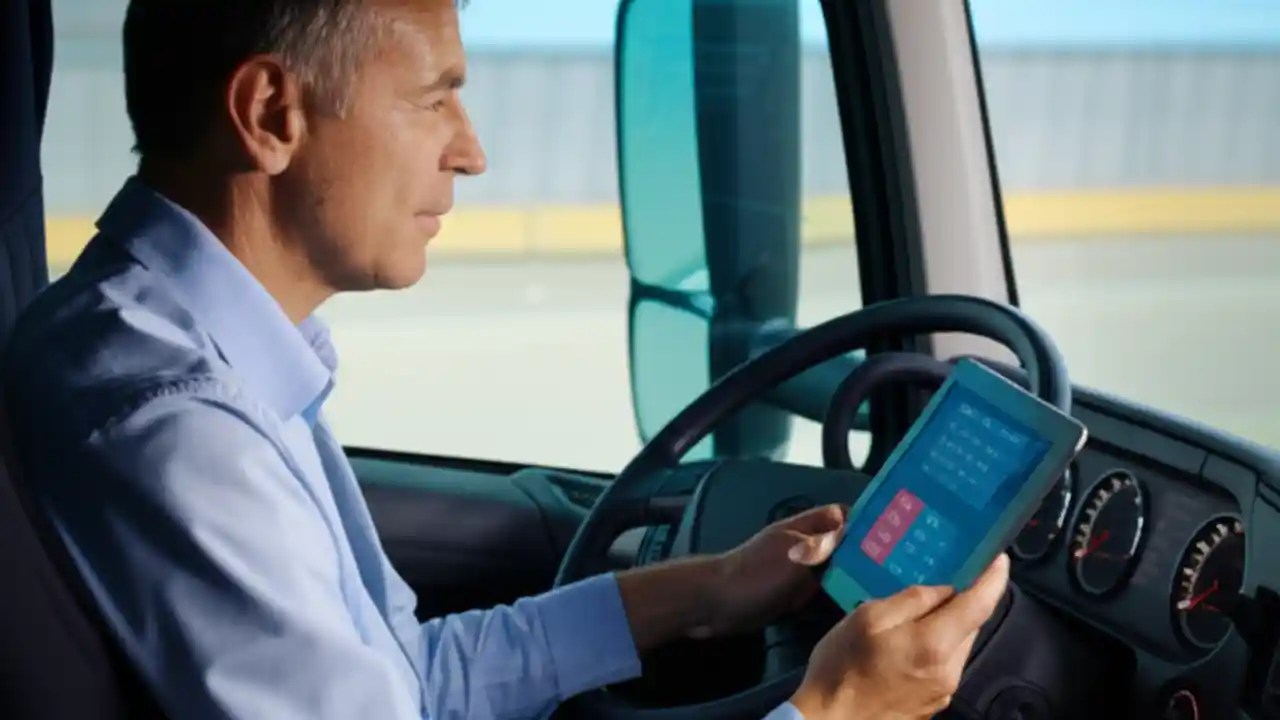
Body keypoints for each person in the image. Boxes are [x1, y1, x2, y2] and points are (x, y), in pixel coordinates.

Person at [0, 1, 1011, 718]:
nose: (470, 150)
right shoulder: (176, 424)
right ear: (271, 114)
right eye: (433, 98)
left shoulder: (184, 350)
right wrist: (838, 709)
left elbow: (403, 681)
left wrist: (705, 591)